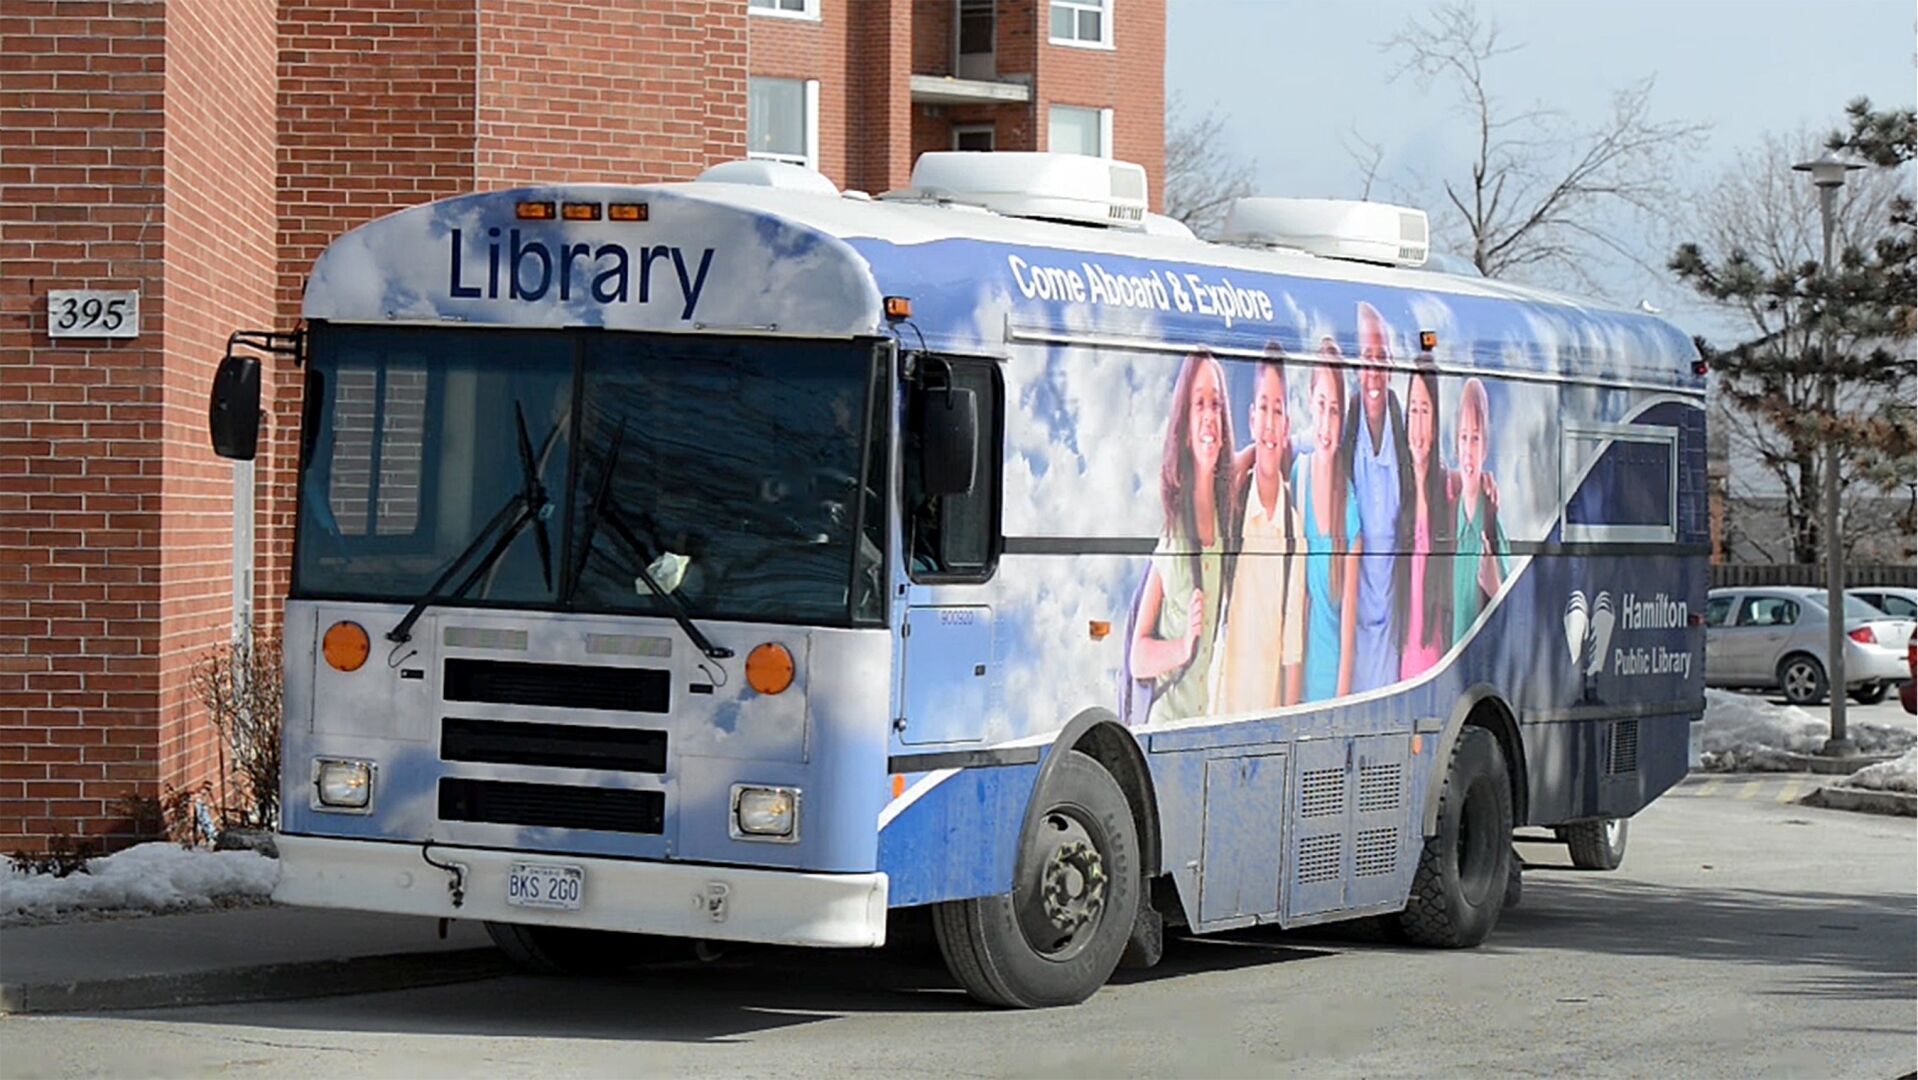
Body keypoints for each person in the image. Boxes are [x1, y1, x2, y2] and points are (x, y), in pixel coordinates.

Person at [1130, 350, 1237, 724]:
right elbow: (1137, 658)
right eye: (1199, 405)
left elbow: (1242, 467)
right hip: (1169, 727)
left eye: (1217, 405)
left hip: (1207, 724)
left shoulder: (1228, 520)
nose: (1210, 416)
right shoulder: (1175, 538)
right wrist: (1183, 647)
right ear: (1186, 431)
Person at [1211, 352, 1306, 712]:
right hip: (1216, 707)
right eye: (1263, 409)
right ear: (1251, 419)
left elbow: (1292, 651)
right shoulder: (1231, 504)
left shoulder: (1293, 531)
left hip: (1259, 717)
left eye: (1278, 410)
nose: (1269, 423)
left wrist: (1287, 724)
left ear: (1286, 425)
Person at [1345, 302, 1412, 692]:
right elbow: (1302, 449)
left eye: (1381, 358)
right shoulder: (1345, 432)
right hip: (1351, 620)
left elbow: (1431, 469)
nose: (1373, 371)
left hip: (1391, 623)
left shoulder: (1403, 440)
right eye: (1366, 359)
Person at [1293, 348, 1361, 702]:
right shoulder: (1297, 475)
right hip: (1292, 677)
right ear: (1309, 403)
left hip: (1331, 679)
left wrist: (1341, 702)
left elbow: (1349, 629)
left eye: (1335, 411)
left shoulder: (1349, 505)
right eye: (1321, 405)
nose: (1325, 423)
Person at [1398, 358, 1454, 678]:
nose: (1418, 428)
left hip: (1434, 657)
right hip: (1399, 655)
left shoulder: (1446, 492)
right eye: (1413, 411)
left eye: (1425, 411)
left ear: (1435, 422)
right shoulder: (1398, 489)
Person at [1452, 377, 1508, 641]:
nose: (1468, 450)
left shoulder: (1492, 525)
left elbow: (1511, 612)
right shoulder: (1449, 519)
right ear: (1456, 444)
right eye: (1464, 438)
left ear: (1485, 448)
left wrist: (1493, 583)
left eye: (1475, 439)